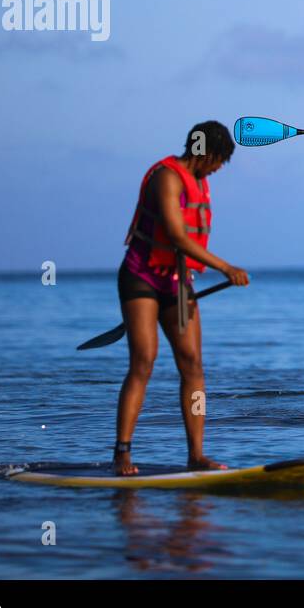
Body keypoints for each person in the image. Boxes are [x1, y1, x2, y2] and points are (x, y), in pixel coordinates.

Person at [112, 121, 250, 475]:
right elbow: (175, 235)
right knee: (144, 360)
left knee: (192, 366)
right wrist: (225, 267)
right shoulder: (167, 177)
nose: (219, 169)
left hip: (178, 282)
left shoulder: (199, 182)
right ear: (208, 153)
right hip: (142, 277)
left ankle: (196, 455)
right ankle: (123, 453)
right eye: (220, 161)